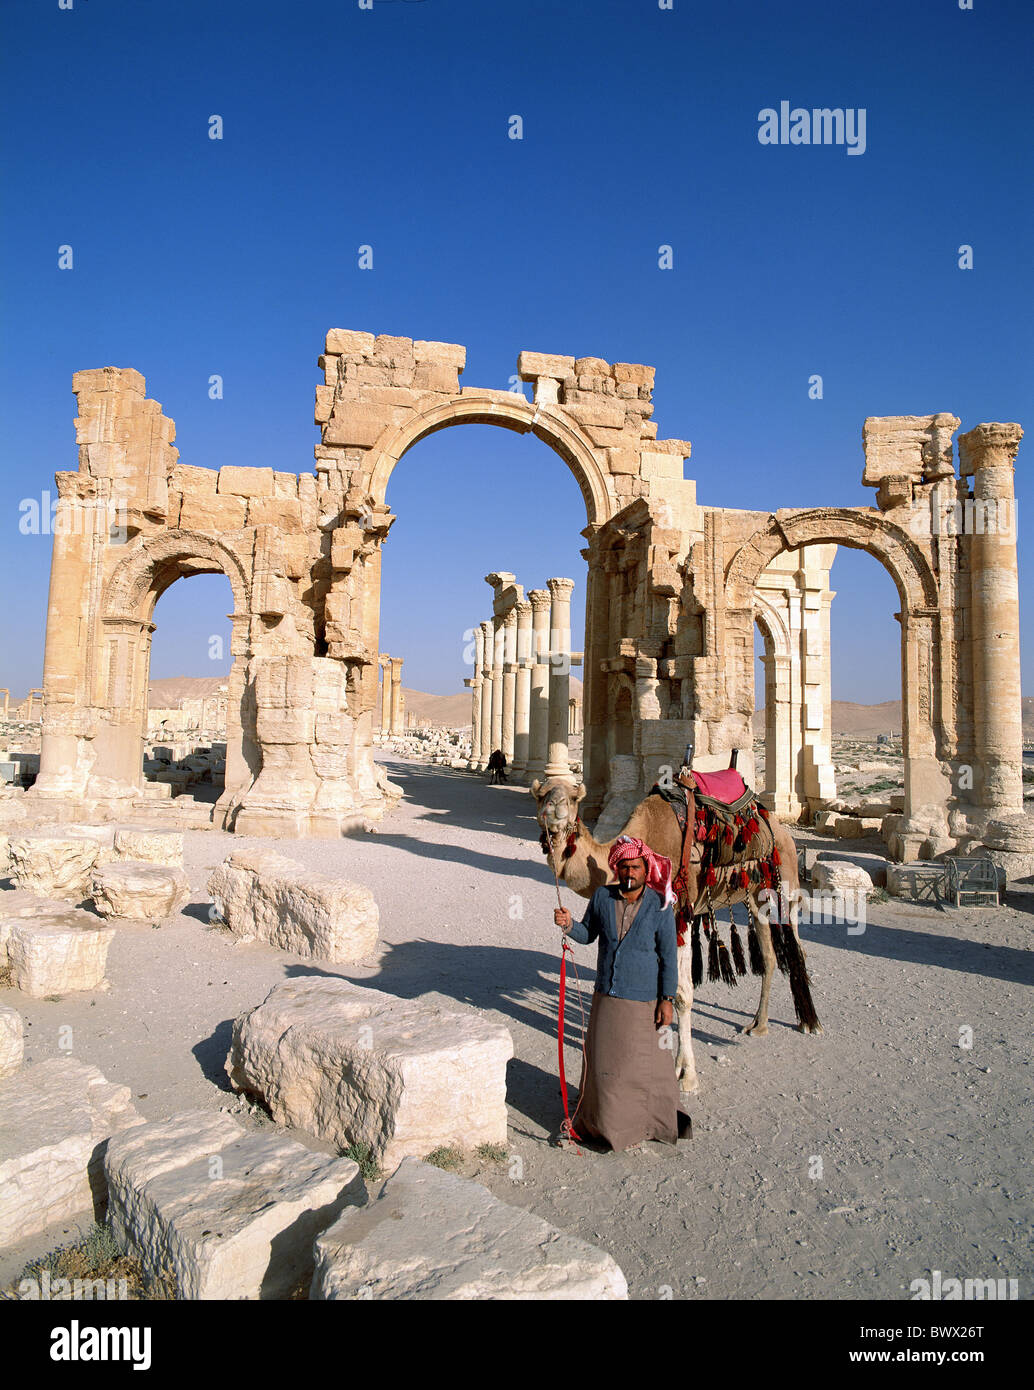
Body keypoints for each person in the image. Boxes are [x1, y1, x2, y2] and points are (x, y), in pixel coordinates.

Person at [554, 835, 691, 1151]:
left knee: (642, 1067)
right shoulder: (602, 897)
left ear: (646, 869)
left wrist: (666, 1000)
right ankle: (602, 1125)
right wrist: (569, 924)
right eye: (625, 867)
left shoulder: (660, 906)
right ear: (617, 868)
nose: (630, 872)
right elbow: (588, 935)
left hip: (644, 999)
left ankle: (648, 1123)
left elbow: (669, 957)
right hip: (606, 994)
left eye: (636, 867)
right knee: (606, 1065)